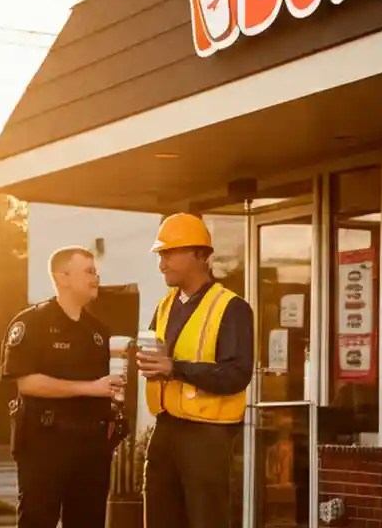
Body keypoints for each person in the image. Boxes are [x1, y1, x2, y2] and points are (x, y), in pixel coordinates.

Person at [136, 213, 255, 528]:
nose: (162, 264)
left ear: (200, 254)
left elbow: (237, 375)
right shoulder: (165, 305)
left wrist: (174, 368)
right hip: (165, 429)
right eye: (160, 255)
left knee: (205, 521)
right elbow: (157, 356)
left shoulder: (232, 308)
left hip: (206, 435)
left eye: (169, 253)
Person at [1, 246, 124, 528]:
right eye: (89, 271)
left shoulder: (98, 331)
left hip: (91, 447)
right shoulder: (31, 324)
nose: (96, 278)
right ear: (62, 277)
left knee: (88, 521)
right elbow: (27, 383)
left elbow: (109, 385)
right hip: (45, 444)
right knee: (38, 520)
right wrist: (91, 388)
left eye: (96, 271)